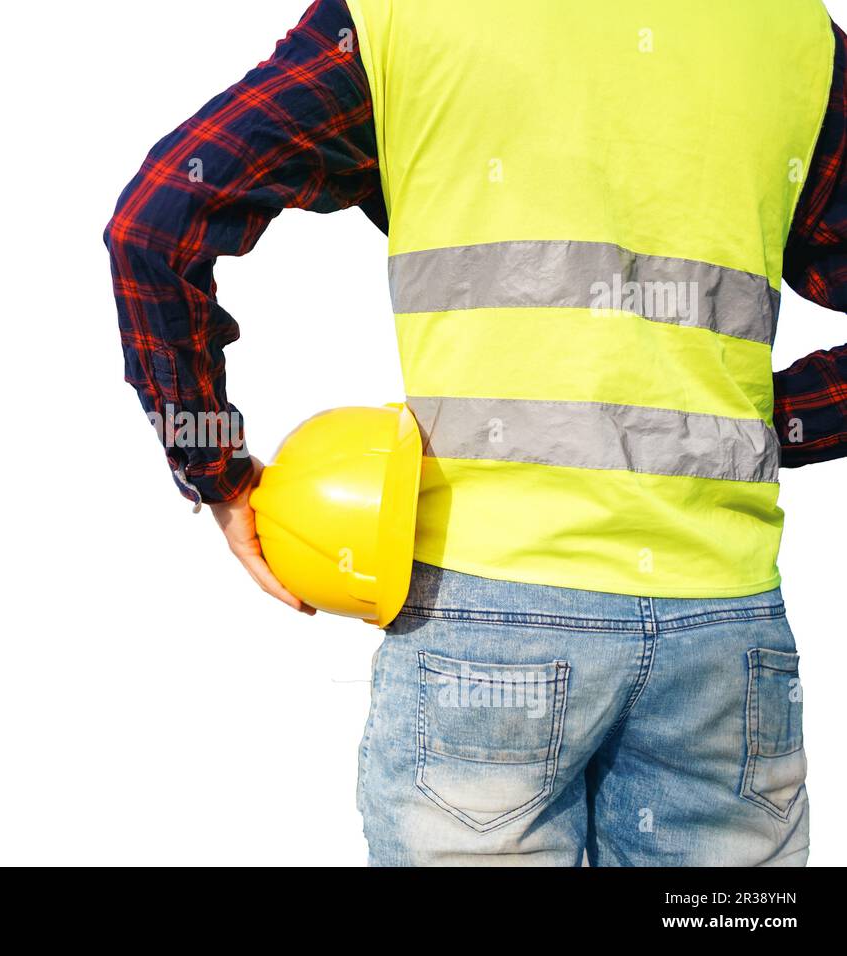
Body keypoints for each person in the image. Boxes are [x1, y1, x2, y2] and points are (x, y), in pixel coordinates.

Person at [105, 0, 847, 865]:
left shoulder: (398, 16)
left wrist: (218, 472)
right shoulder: (792, 33)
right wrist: (753, 425)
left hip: (488, 610)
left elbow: (156, 220)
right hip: (724, 639)